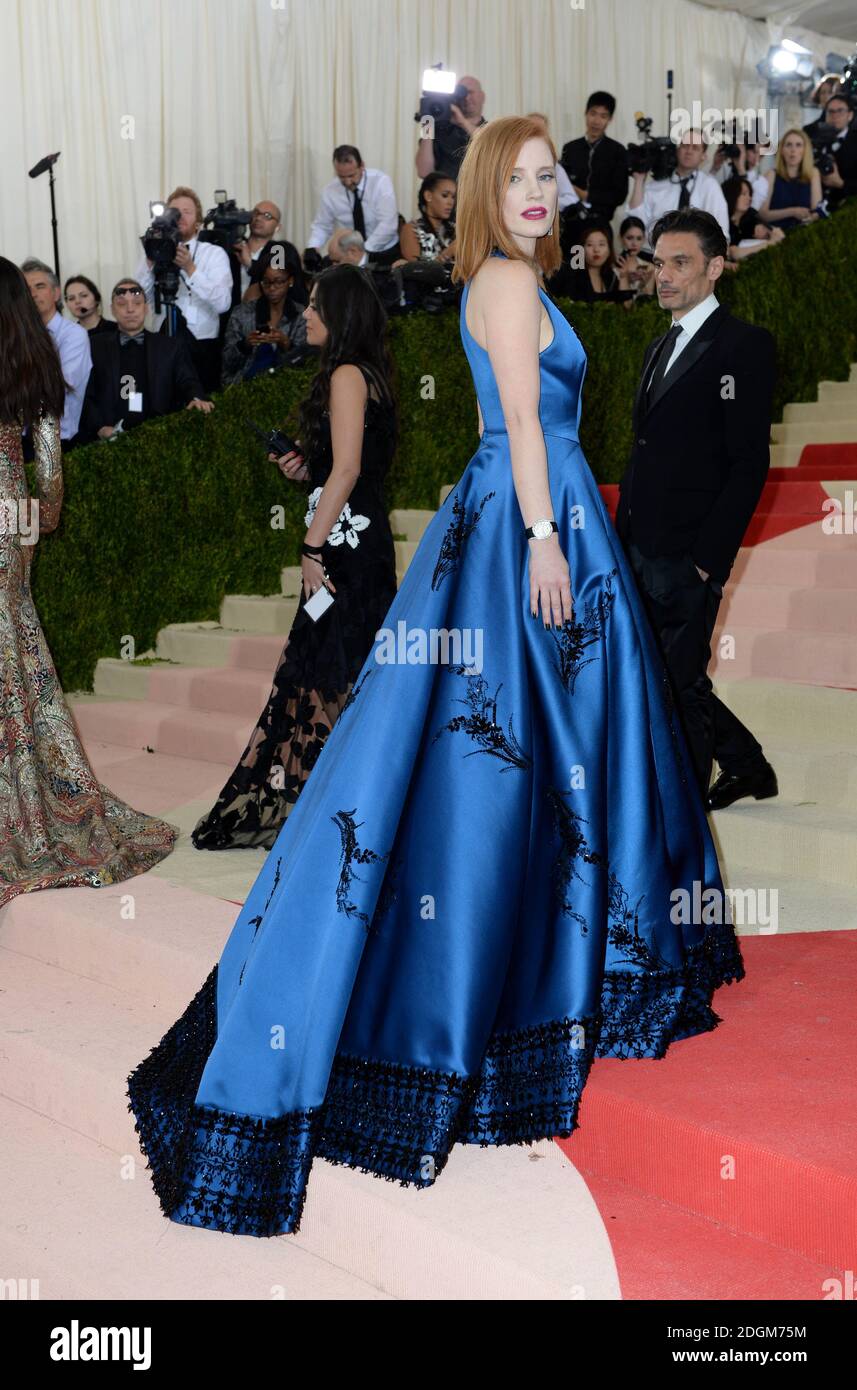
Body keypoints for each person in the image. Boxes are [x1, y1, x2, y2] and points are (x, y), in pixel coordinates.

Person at [128, 117, 744, 1239]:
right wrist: (547, 534)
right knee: (511, 749)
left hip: (527, 513)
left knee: (533, 745)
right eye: (513, 178)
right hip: (530, 525)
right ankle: (522, 972)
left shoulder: (517, 279)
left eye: (546, 177)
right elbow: (514, 416)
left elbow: (504, 418)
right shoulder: (505, 284)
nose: (534, 192)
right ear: (476, 194)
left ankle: (551, 957)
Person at [191, 264, 397, 850]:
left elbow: (352, 469)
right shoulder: (370, 375)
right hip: (361, 540)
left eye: (314, 307)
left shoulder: (348, 376)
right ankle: (348, 802)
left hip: (343, 548)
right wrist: (306, 469)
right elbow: (347, 468)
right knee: (340, 669)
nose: (305, 314)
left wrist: (310, 546)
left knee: (325, 670)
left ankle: (336, 807)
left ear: (340, 316)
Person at [0, 257, 177, 907]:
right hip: (10, 517)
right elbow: (50, 466)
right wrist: (36, 520)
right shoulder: (34, 362)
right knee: (19, 654)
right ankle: (33, 802)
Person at [614, 208, 778, 810]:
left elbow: (748, 465)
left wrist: (709, 560)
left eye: (680, 263)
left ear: (715, 267)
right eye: (659, 262)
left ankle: (678, 818)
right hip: (638, 543)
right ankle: (747, 765)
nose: (664, 275)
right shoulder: (660, 344)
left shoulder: (744, 345)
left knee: (677, 680)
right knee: (664, 673)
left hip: (689, 553)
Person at [78, 279, 213, 442]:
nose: (130, 309)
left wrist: (195, 398)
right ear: (112, 310)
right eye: (122, 304)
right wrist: (100, 427)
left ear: (146, 307)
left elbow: (188, 380)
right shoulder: (94, 346)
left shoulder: (169, 347)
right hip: (109, 440)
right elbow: (84, 392)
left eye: (137, 303)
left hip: (159, 437)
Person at [134, 185, 233, 393]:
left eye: (187, 212)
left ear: (198, 222)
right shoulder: (154, 251)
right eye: (174, 212)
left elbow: (223, 303)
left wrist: (190, 269)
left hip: (202, 345)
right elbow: (137, 300)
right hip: (163, 344)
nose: (179, 216)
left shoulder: (213, 254)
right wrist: (150, 261)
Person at [21, 258, 92, 447]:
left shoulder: (74, 334)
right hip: (23, 437)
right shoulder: (18, 337)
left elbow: (62, 384)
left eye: (40, 286)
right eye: (27, 289)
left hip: (59, 439)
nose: (33, 294)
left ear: (56, 293)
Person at [221, 250, 309, 386]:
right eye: (266, 282)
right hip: (243, 388)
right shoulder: (242, 313)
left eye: (279, 282)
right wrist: (245, 345)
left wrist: (286, 344)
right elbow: (226, 362)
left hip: (286, 388)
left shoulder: (301, 315)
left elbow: (306, 363)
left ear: (290, 281)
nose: (272, 288)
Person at [628, 129, 730, 240]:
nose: (689, 151)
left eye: (695, 148)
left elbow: (722, 232)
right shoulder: (656, 184)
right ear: (678, 150)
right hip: (654, 252)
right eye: (685, 145)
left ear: (703, 156)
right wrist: (639, 180)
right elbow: (635, 221)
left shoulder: (710, 186)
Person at [306, 147, 400, 266]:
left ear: (362, 167)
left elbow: (388, 225)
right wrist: (313, 247)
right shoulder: (330, 190)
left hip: (383, 251)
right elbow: (322, 226)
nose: (347, 182)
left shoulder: (380, 182)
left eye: (351, 175)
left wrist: (363, 252)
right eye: (341, 177)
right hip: (350, 254)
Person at [559, 90, 629, 223]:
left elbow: (620, 196)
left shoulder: (618, 151)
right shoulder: (570, 148)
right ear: (585, 113)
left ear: (610, 119)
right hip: (570, 222)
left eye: (603, 116)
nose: (596, 121)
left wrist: (586, 196)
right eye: (593, 114)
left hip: (601, 222)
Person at [416, 74, 487, 181]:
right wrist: (428, 125)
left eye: (471, 92)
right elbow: (424, 172)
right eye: (462, 94)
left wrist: (462, 122)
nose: (467, 98)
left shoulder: (493, 130)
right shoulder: (440, 130)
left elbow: (490, 146)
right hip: (448, 196)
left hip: (479, 196)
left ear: (482, 96)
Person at [548, 218, 634, 304]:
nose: (596, 250)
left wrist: (623, 277)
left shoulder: (611, 276)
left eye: (601, 244)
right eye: (590, 245)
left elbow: (627, 309)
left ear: (609, 250)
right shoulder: (570, 275)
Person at [758, 129, 823, 231]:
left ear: (805, 150)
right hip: (776, 235)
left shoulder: (813, 173)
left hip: (804, 232)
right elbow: (763, 214)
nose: (793, 150)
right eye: (788, 145)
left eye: (798, 145)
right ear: (782, 150)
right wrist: (792, 211)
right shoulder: (771, 175)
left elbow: (816, 210)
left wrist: (811, 217)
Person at [393, 172, 457, 266]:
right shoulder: (412, 229)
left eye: (453, 197)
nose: (450, 202)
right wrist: (448, 252)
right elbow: (416, 272)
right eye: (445, 195)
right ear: (428, 196)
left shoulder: (455, 228)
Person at [721, 177, 784, 261]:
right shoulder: (723, 221)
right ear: (731, 195)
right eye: (744, 194)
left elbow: (774, 232)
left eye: (750, 195)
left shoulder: (751, 215)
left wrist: (768, 234)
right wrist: (769, 243)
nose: (749, 198)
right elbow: (734, 253)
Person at [232, 201, 282, 301]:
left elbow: (277, 284)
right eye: (256, 213)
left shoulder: (279, 251)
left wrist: (250, 264)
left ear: (278, 227)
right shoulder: (235, 248)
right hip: (231, 314)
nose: (258, 218)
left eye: (267, 216)